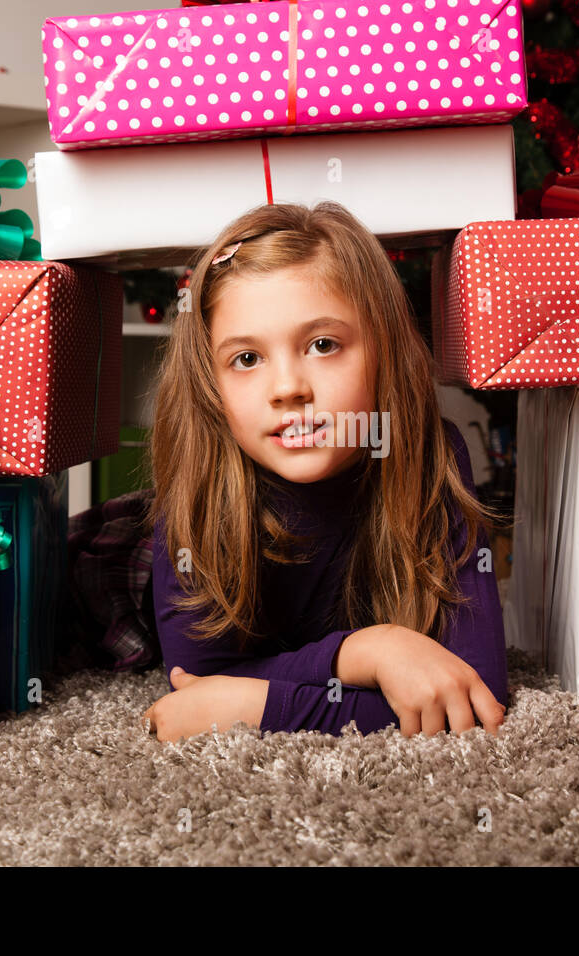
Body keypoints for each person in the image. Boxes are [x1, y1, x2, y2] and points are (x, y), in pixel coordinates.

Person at [141, 201, 508, 742]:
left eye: (322, 345)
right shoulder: (197, 488)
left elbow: (474, 700)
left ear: (383, 348)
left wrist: (251, 702)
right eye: (246, 359)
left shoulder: (432, 456)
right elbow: (196, 686)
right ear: (211, 386)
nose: (288, 388)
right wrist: (366, 651)